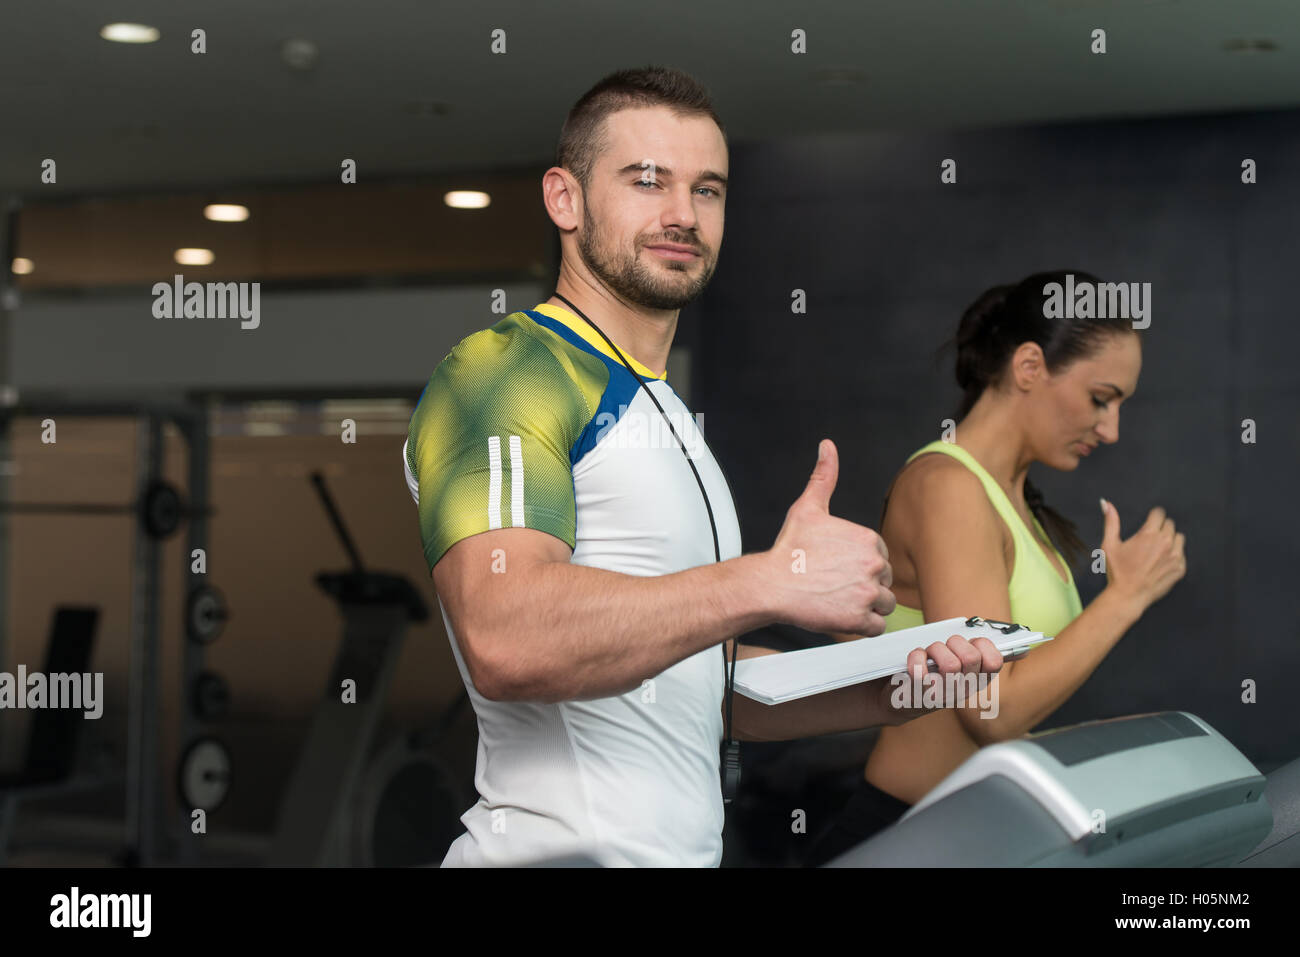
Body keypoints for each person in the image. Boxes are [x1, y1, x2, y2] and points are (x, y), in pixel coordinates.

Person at [402, 66, 1003, 867]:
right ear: (564, 199)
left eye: (708, 189)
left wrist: (909, 681)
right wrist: (769, 579)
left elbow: (706, 686)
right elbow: (505, 634)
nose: (682, 214)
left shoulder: (665, 413)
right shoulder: (506, 371)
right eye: (647, 180)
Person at [804, 270, 1187, 866]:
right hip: (910, 837)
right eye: (1100, 398)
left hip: (984, 836)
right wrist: (1124, 597)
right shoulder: (949, 488)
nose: (1110, 430)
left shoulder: (1016, 502)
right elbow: (991, 710)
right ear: (1029, 367)